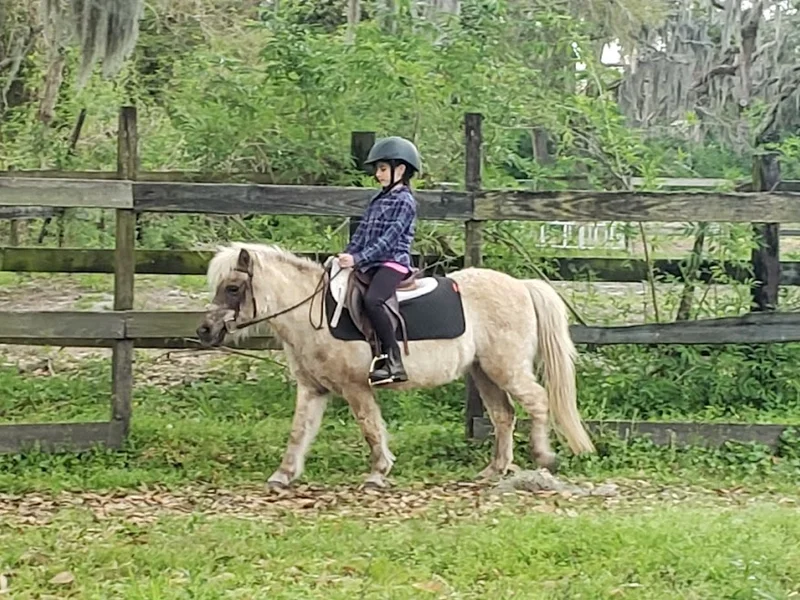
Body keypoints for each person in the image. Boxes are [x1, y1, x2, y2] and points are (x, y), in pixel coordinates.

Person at [337, 136, 421, 386]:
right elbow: (362, 233)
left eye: (383, 169)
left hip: (393, 262)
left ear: (401, 170)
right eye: (378, 169)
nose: (378, 174)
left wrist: (358, 258)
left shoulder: (405, 201)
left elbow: (388, 240)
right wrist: (346, 254)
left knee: (373, 300)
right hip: (370, 262)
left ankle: (393, 360)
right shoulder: (378, 198)